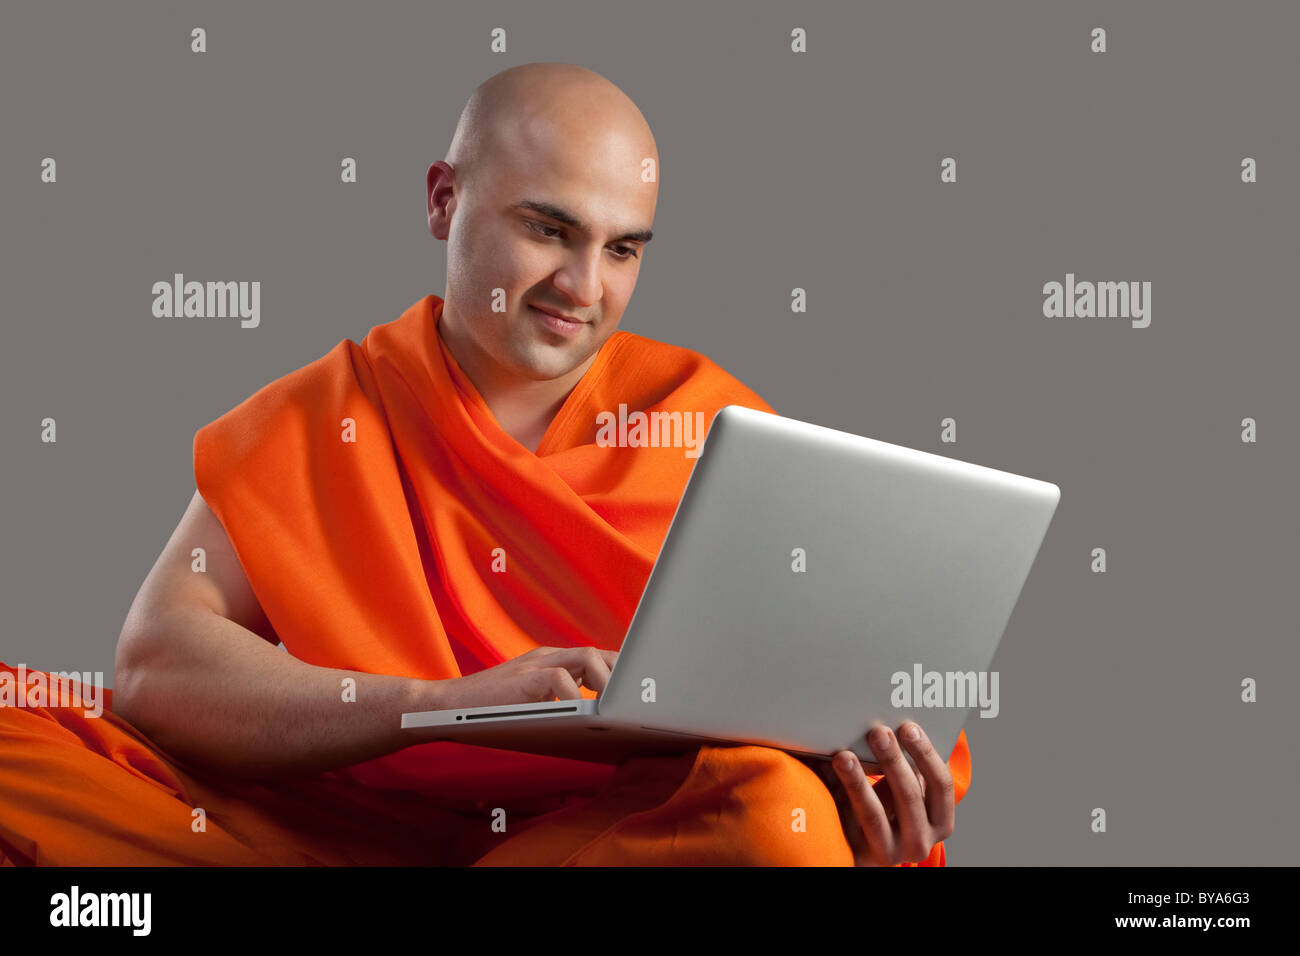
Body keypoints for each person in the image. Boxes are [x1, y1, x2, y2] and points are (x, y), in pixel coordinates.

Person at [0, 61, 969, 866]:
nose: (582, 289)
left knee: (772, 813)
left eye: (622, 248)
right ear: (441, 199)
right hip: (330, 831)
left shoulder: (707, 423)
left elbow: (829, 710)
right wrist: (442, 706)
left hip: (601, 843)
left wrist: (871, 800)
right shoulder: (333, 409)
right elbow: (156, 665)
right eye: (547, 229)